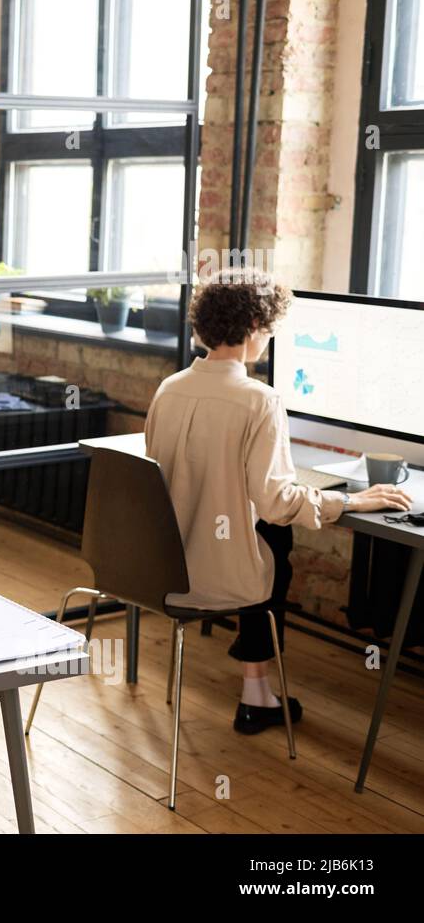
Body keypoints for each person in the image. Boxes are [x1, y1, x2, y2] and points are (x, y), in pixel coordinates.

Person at [145, 269, 411, 734]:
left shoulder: (169, 388)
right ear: (252, 331)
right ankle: (256, 692)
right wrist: (349, 503)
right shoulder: (259, 401)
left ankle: (257, 688)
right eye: (268, 333)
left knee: (262, 533)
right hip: (212, 577)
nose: (267, 342)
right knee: (275, 536)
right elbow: (277, 502)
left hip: (159, 569)